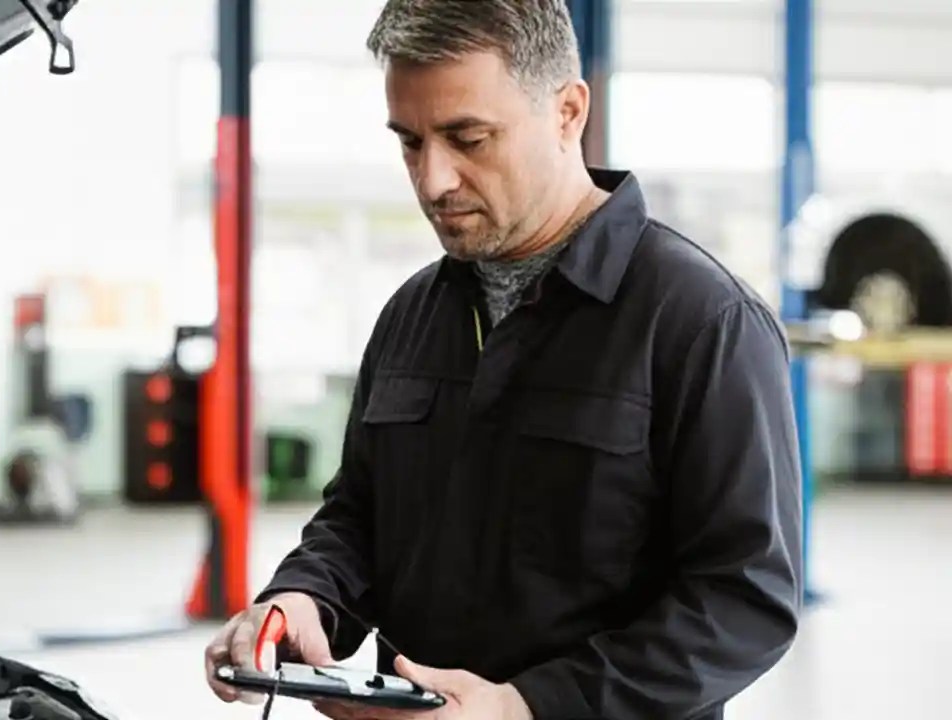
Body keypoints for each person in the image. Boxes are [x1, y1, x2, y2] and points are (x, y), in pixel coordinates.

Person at [204, 1, 803, 718]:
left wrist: (527, 706)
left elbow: (743, 600)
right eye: (410, 143)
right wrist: (306, 595)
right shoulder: (412, 314)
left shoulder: (702, 321)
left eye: (469, 139)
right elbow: (361, 514)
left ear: (567, 113)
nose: (434, 181)